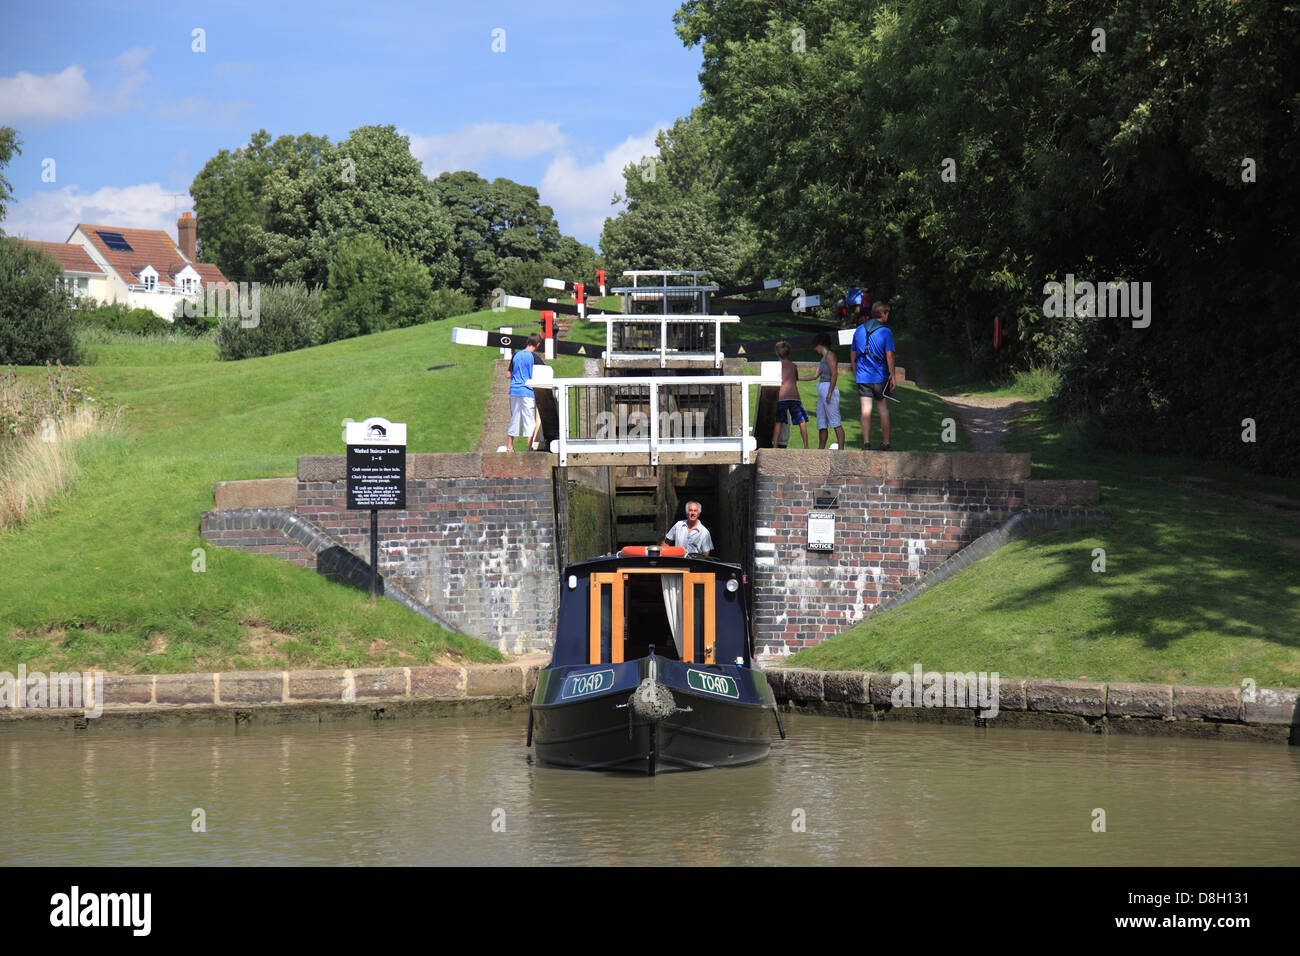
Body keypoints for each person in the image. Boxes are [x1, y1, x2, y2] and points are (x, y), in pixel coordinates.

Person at [850, 301, 896, 450]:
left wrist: (856, 370)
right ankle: (886, 442)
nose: (888, 315)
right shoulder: (886, 332)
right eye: (887, 313)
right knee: (882, 408)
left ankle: (866, 443)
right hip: (880, 377)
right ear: (882, 314)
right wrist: (892, 376)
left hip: (863, 376)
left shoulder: (858, 330)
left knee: (865, 409)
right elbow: (889, 355)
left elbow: (853, 353)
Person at [799, 332, 845, 449]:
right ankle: (821, 449)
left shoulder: (830, 356)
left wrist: (829, 393)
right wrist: (798, 378)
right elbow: (815, 375)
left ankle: (841, 449)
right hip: (822, 387)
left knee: (835, 421)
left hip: (829, 387)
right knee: (822, 422)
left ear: (820, 345)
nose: (815, 349)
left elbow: (834, 375)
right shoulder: (823, 359)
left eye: (816, 346)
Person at [506, 333, 543, 452]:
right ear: (537, 344)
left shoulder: (516, 355)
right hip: (527, 392)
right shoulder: (534, 357)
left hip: (514, 391)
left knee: (514, 418)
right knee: (529, 420)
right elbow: (544, 372)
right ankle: (529, 448)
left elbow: (508, 375)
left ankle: (510, 446)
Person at [772, 340, 810, 449]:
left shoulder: (777, 366)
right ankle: (806, 446)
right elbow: (795, 378)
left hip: (782, 396)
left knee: (779, 421)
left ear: (777, 353)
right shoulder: (793, 366)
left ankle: (774, 445)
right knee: (801, 421)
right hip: (794, 397)